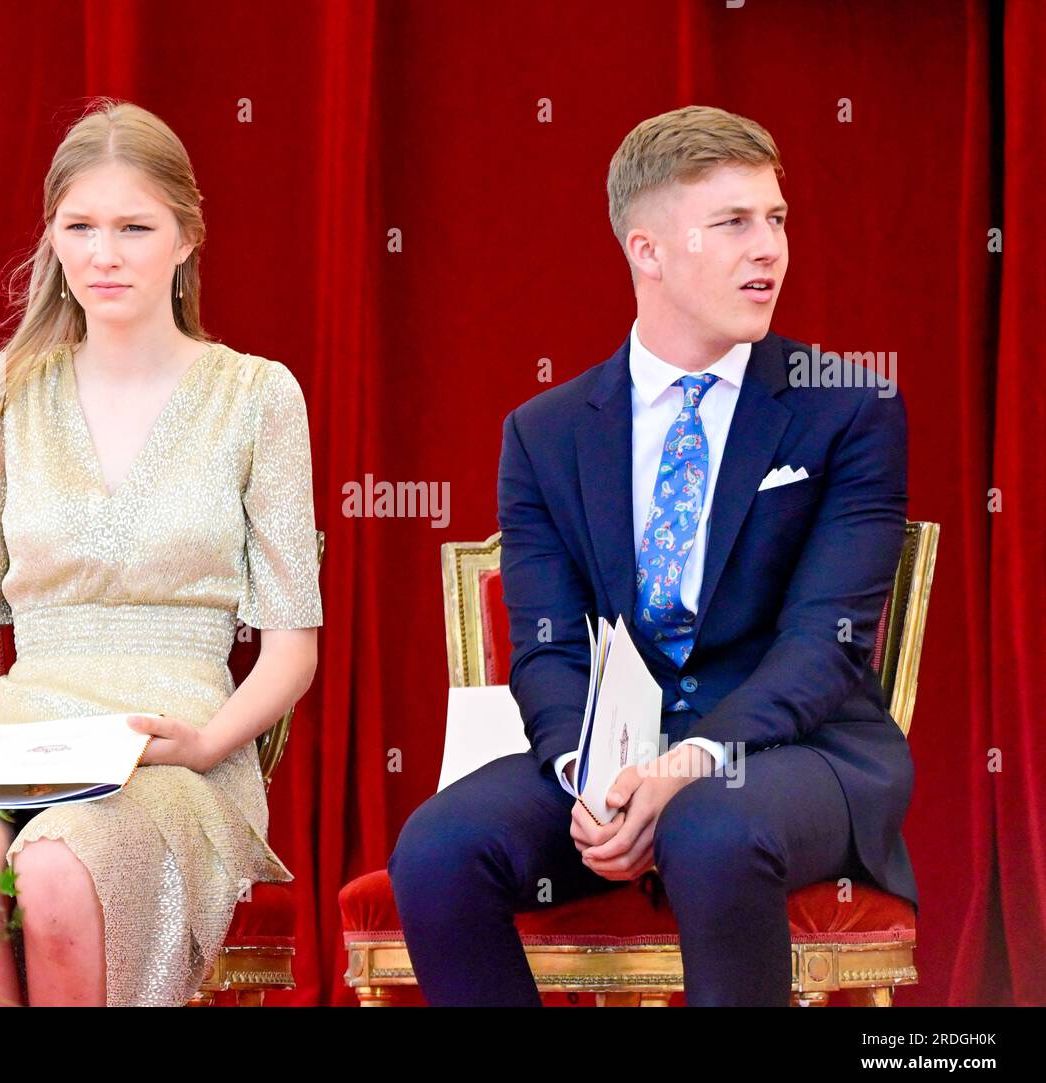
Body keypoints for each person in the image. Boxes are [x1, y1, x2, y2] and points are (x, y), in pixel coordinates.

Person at [388, 105, 917, 1006]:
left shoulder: (849, 409)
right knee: (436, 850)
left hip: (795, 752)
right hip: (619, 755)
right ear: (648, 250)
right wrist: (587, 779)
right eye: (734, 223)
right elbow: (548, 647)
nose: (770, 250)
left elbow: (821, 647)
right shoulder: (545, 433)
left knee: (709, 826)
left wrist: (694, 760)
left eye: (776, 220)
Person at [0, 98, 322, 1007]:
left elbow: (293, 647)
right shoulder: (4, 393)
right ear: (52, 238)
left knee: (57, 870)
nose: (104, 253)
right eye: (79, 226)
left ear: (185, 239)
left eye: (134, 226)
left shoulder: (258, 397)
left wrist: (208, 741)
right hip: (18, 735)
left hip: (173, 749)